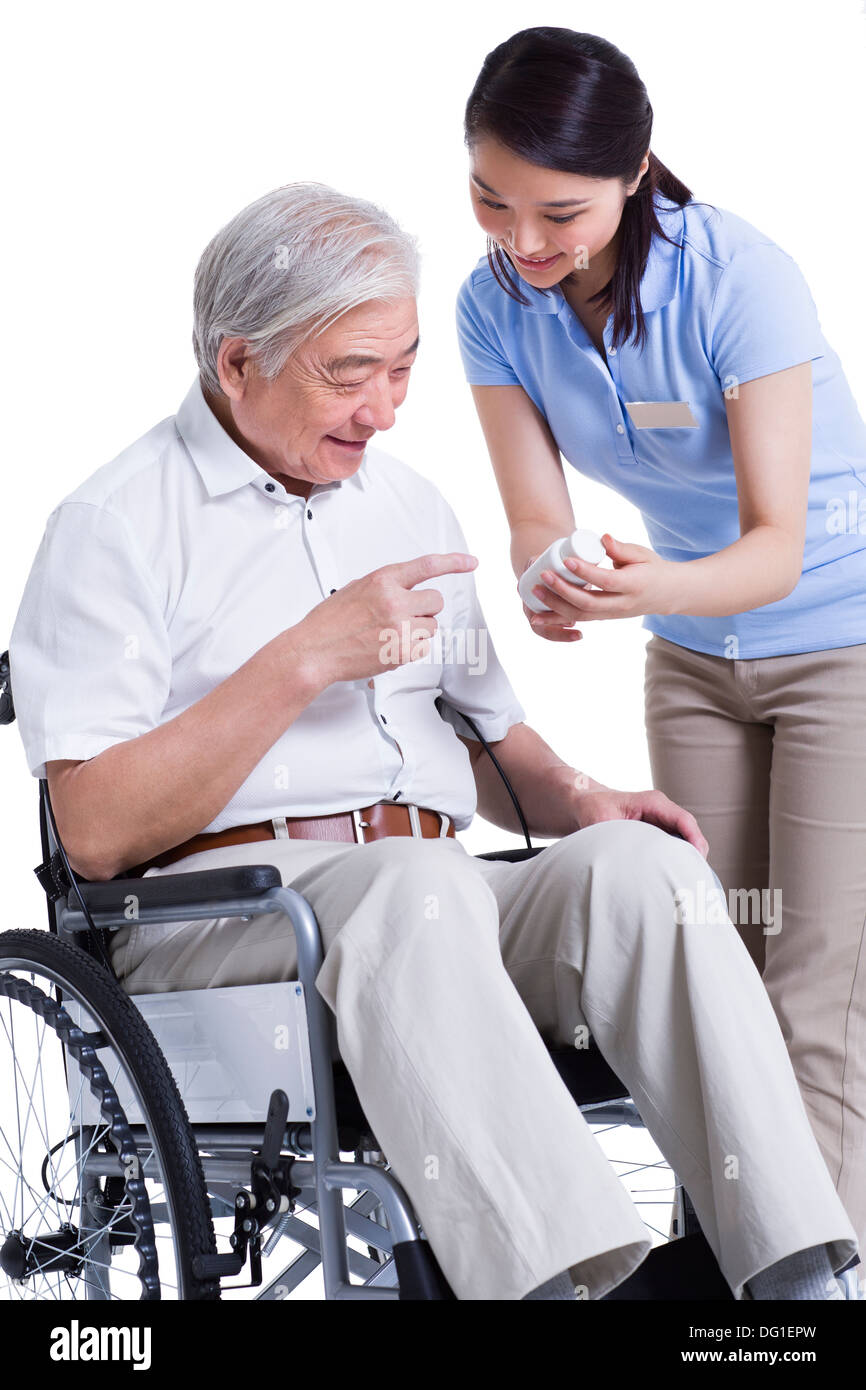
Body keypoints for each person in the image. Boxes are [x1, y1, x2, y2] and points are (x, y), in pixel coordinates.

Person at [8, 184, 859, 1301]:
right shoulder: (116, 525)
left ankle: (796, 1282)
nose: (383, 408)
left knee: (645, 873)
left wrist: (581, 799)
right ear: (237, 365)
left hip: (430, 901)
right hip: (226, 921)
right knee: (415, 885)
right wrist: (304, 658)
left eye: (401, 367)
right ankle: (570, 1284)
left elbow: (488, 741)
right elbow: (98, 830)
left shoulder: (406, 504)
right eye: (347, 372)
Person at [456, 26, 866, 1289]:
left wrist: (644, 586)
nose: (521, 243)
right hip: (691, 659)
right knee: (713, 974)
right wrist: (546, 580)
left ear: (634, 171)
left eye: (557, 213)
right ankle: (726, 1280)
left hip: (837, 640)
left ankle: (814, 1291)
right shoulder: (491, 307)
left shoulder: (740, 277)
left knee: (809, 984)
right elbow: (533, 516)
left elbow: (776, 547)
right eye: (489, 199)